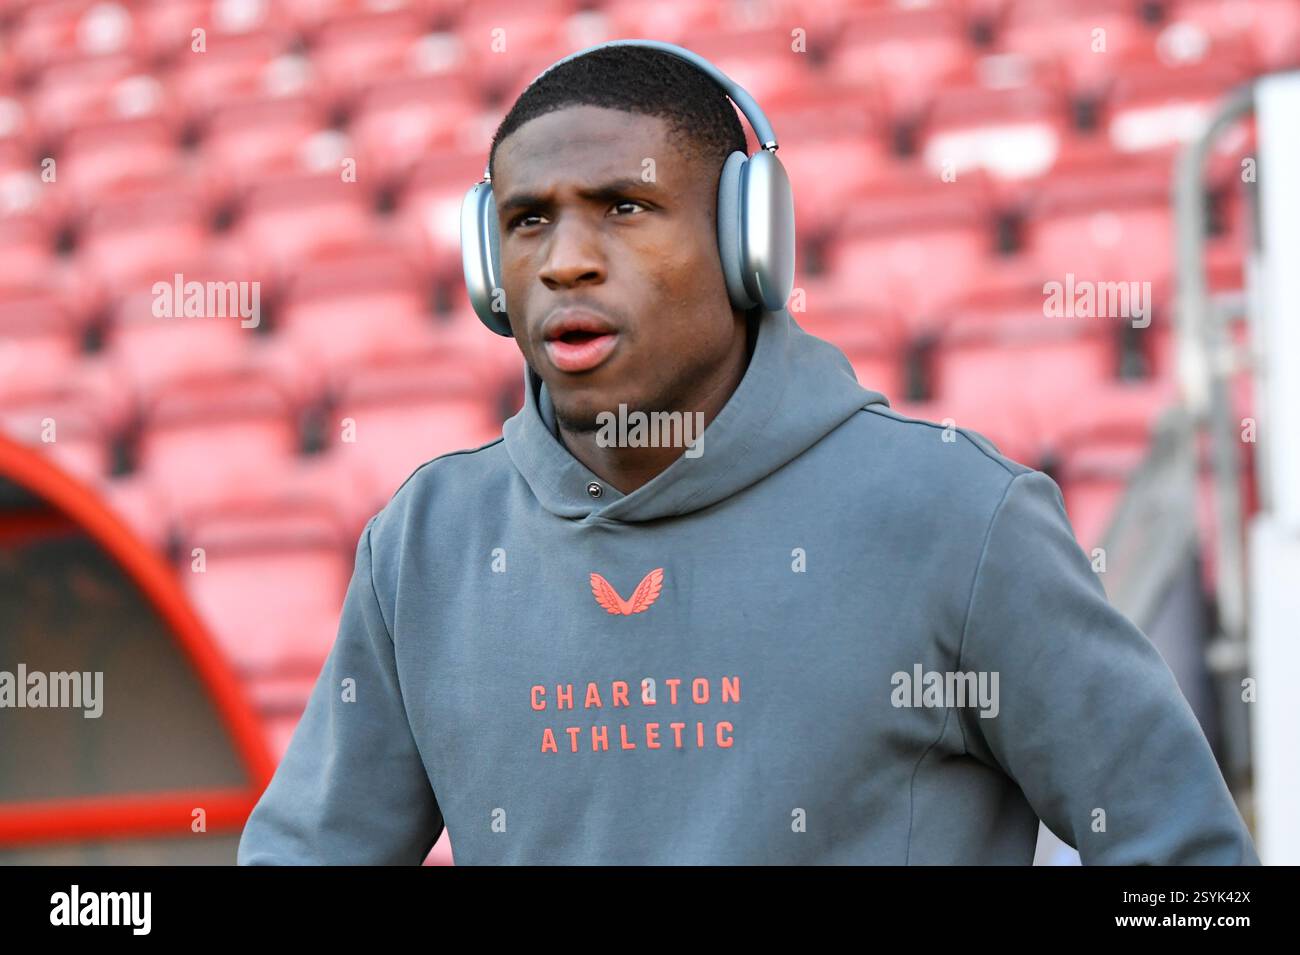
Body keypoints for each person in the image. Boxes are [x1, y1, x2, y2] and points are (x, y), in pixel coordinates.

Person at [237, 42, 1259, 865]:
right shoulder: (422, 548)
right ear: (487, 273)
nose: (566, 259)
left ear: (746, 241)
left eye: (623, 208)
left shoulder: (955, 515)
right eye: (527, 221)